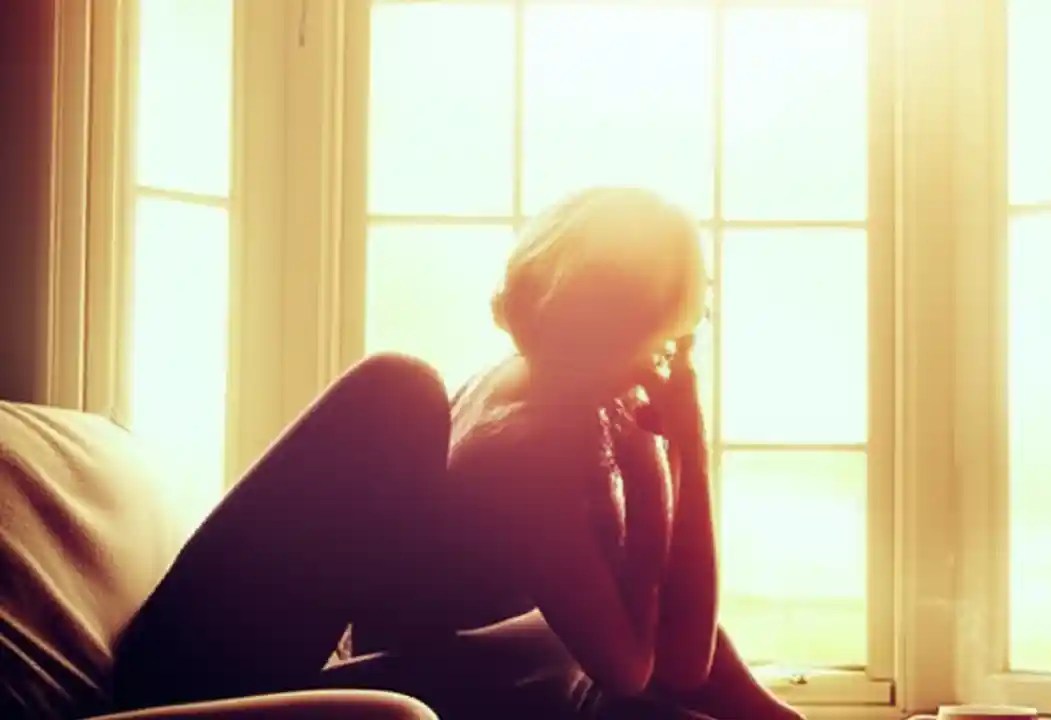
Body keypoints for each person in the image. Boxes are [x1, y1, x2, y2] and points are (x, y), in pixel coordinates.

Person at [109, 187, 804, 719]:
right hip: (228, 679)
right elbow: (647, 665)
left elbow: (685, 648)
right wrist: (679, 457)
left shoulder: (557, 388)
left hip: (383, 653)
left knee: (585, 664)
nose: (672, 356)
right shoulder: (533, 446)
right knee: (399, 385)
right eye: (669, 336)